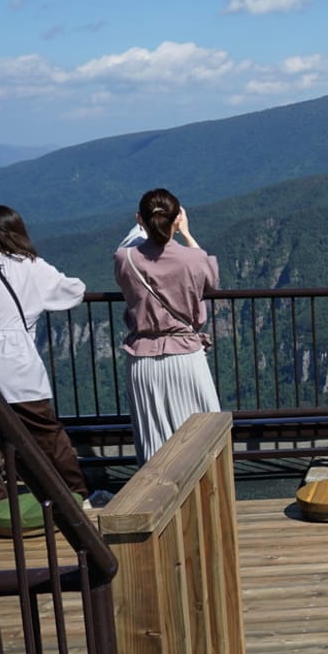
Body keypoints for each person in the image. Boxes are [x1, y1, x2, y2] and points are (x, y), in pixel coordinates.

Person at [0, 205, 91, 506]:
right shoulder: (32, 267)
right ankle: (77, 497)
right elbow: (74, 291)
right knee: (48, 436)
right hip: (15, 363)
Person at [114, 188, 221, 462]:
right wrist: (186, 234)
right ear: (177, 218)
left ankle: (157, 500)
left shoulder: (124, 259)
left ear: (140, 218)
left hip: (143, 360)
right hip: (186, 355)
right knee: (204, 432)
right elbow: (211, 281)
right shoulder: (194, 258)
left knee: (154, 440)